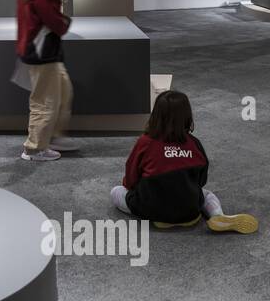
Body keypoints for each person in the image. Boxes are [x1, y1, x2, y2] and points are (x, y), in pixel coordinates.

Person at [110, 90, 258, 233]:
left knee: (116, 191)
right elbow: (201, 180)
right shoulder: (194, 143)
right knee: (207, 195)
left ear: (156, 115)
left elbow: (131, 177)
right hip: (190, 211)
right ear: (187, 116)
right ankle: (217, 215)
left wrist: (133, 189)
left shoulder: (145, 142)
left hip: (153, 211)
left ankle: (157, 212)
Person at [16, 0, 77, 161]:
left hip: (42, 52)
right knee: (44, 102)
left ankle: (52, 136)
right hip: (43, 54)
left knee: (64, 91)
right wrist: (66, 21)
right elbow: (56, 24)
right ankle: (33, 148)